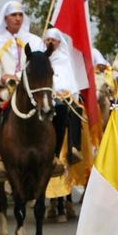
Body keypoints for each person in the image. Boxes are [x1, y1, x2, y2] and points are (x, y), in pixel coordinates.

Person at [0, 1, 44, 182]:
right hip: (2, 88)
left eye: (20, 15)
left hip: (29, 88)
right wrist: (2, 77)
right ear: (5, 18)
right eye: (14, 15)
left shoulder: (34, 40)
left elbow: (39, 66)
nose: (18, 18)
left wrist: (22, 77)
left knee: (57, 109)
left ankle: (53, 156)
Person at [43, 28, 83, 168]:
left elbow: (70, 79)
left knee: (75, 108)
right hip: (45, 94)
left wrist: (69, 92)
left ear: (59, 42)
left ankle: (73, 148)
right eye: (48, 39)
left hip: (63, 95)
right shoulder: (42, 57)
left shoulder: (65, 59)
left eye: (53, 40)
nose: (50, 42)